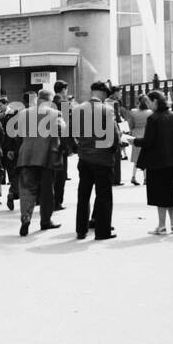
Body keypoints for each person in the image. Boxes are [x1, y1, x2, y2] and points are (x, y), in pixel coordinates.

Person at [13, 88, 64, 236]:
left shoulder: (23, 113)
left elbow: (17, 135)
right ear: (49, 100)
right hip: (46, 157)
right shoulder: (55, 114)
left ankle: (26, 218)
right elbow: (61, 131)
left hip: (26, 156)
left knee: (26, 190)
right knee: (47, 191)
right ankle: (45, 221)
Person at [71, 80, 119, 240]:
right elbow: (114, 136)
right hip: (103, 159)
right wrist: (112, 151)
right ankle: (102, 231)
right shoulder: (107, 109)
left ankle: (81, 230)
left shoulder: (77, 109)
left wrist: (82, 146)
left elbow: (73, 133)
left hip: (84, 158)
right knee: (103, 195)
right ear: (104, 94)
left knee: (83, 194)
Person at [135, 89, 173, 234]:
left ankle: (161, 226)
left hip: (157, 161)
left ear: (155, 101)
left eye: (149, 101)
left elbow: (148, 141)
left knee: (160, 193)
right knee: (171, 192)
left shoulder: (153, 118)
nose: (147, 104)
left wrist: (134, 141)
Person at [52, 80, 72, 210]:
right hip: (61, 142)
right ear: (64, 90)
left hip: (48, 141)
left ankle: (50, 199)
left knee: (51, 174)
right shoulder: (63, 103)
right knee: (61, 174)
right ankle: (57, 201)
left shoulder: (49, 102)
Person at [126, 93, 153, 186]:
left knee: (136, 158)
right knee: (146, 157)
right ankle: (146, 178)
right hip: (146, 134)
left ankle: (133, 176)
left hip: (136, 135)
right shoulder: (150, 112)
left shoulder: (133, 111)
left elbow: (131, 125)